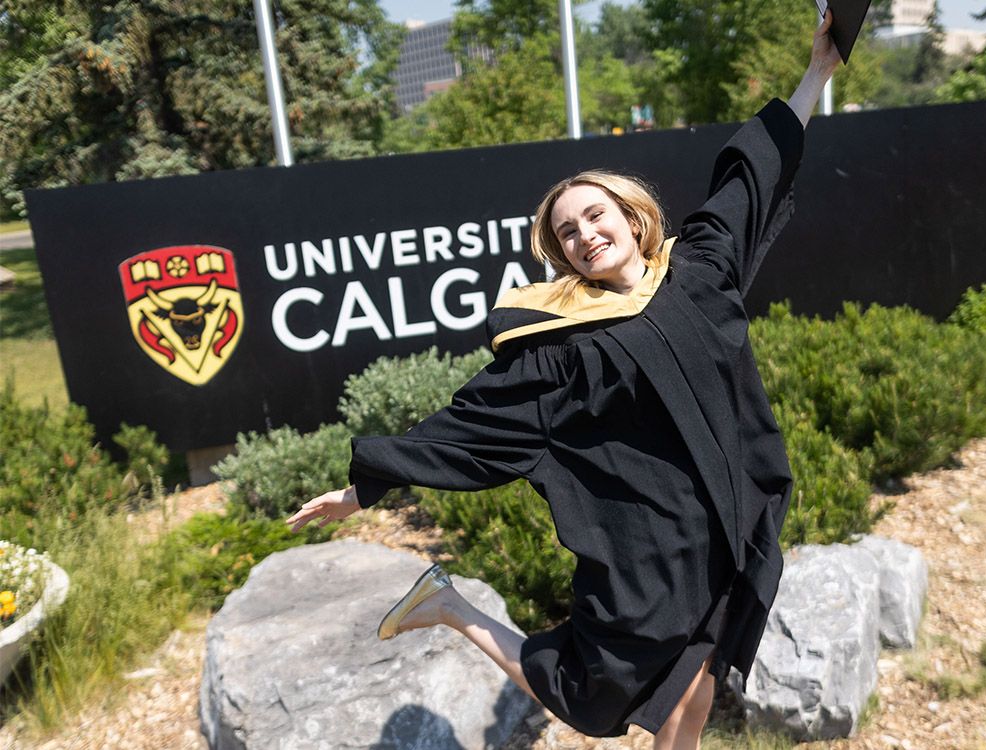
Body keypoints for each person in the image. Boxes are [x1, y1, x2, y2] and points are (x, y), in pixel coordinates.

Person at [287, 13, 843, 750]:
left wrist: (817, 75)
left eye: (594, 215)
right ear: (561, 254)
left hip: (729, 519)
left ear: (631, 215)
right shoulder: (559, 342)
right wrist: (366, 487)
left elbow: (752, 173)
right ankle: (452, 608)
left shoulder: (700, 266)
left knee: (700, 684)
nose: (585, 234)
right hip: (650, 543)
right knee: (597, 696)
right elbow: (472, 424)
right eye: (567, 233)